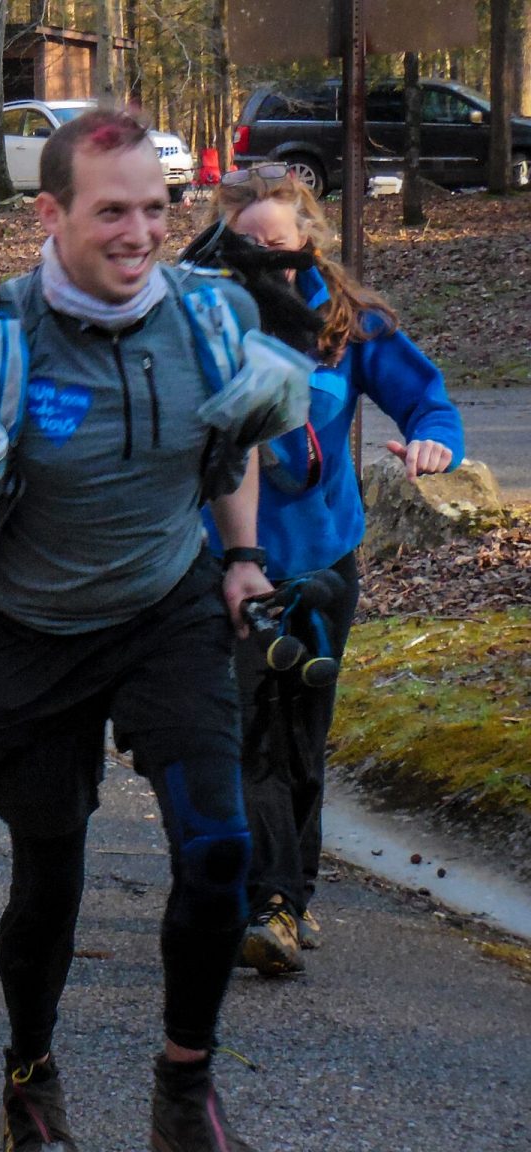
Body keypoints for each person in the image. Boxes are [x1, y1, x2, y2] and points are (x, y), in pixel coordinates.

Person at [0, 109, 280, 1152]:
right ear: (50, 214)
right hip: (29, 629)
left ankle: (185, 1080)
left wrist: (240, 558)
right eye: (111, 211)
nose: (139, 232)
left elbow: (234, 440)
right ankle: (31, 1072)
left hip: (164, 610)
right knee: (52, 870)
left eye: (154, 207)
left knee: (221, 847)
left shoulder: (209, 316)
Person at [195, 165, 463, 975]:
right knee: (246, 730)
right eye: (247, 248)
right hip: (221, 561)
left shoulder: (348, 321)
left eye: (278, 246)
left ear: (307, 237)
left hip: (324, 557)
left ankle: (291, 894)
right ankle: (267, 901)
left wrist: (433, 442)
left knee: (303, 734)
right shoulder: (200, 314)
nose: (266, 264)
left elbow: (430, 402)